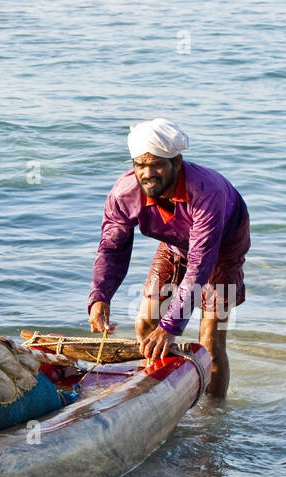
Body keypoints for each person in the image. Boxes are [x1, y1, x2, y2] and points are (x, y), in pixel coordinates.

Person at [87, 118, 250, 397]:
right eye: (140, 165)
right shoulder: (124, 193)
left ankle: (212, 422)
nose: (147, 173)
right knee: (147, 325)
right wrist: (100, 296)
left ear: (177, 162)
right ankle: (159, 397)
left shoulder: (205, 192)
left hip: (222, 251)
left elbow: (200, 263)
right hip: (173, 244)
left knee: (209, 342)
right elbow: (113, 247)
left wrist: (171, 326)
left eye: (157, 164)